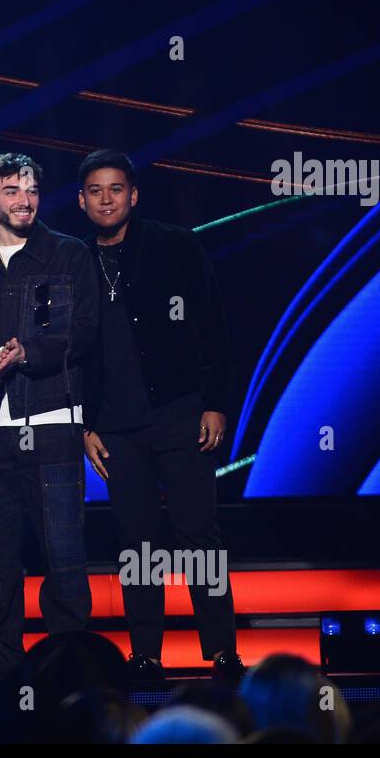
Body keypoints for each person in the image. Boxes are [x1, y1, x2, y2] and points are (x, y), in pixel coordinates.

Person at [76, 148, 241, 681]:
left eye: (116, 189)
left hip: (180, 414)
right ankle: (145, 653)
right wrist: (84, 424)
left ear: (134, 195)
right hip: (115, 427)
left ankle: (220, 650)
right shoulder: (75, 261)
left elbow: (212, 325)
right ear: (82, 201)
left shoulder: (174, 245)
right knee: (137, 541)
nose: (107, 199)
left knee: (198, 534)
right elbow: (71, 351)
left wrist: (215, 402)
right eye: (96, 191)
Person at [0, 153, 98, 682]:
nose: (24, 199)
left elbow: (84, 329)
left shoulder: (69, 255)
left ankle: (70, 671)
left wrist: (26, 352)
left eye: (30, 189)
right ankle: (2, 675)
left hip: (53, 418)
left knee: (64, 553)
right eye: (11, 190)